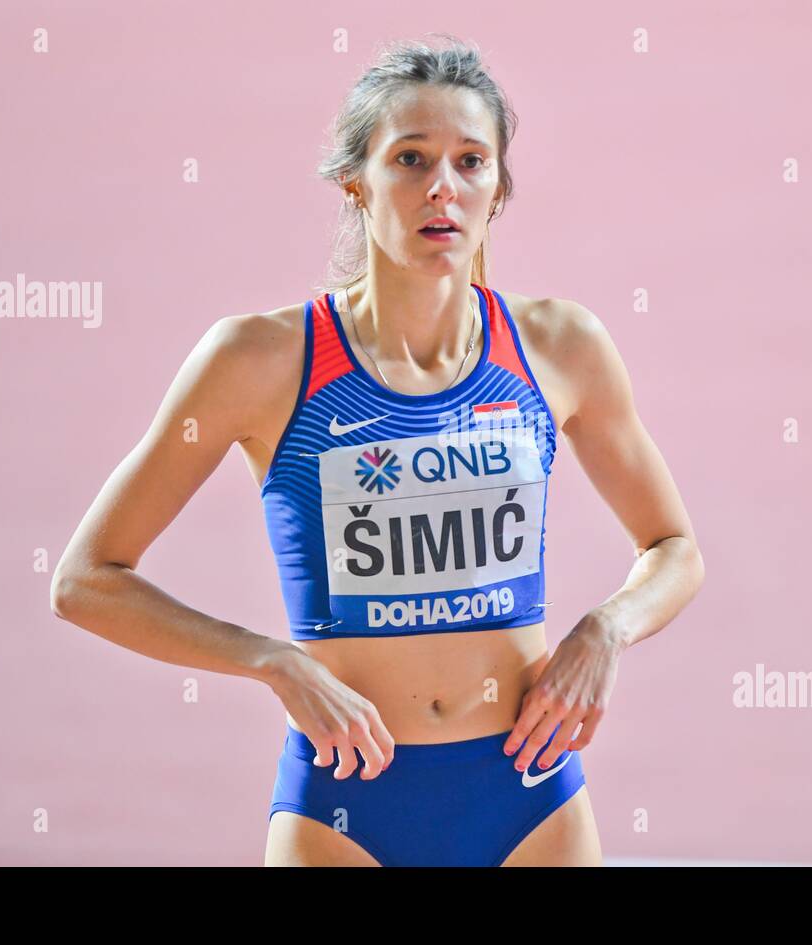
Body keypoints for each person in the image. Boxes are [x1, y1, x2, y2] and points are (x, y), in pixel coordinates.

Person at [50, 34, 704, 867]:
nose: (443, 187)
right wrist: (272, 661)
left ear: (498, 187)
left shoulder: (559, 347)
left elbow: (675, 549)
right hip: (347, 805)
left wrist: (606, 630)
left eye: (472, 162)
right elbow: (86, 580)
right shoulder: (259, 360)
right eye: (410, 159)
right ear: (355, 181)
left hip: (530, 801)